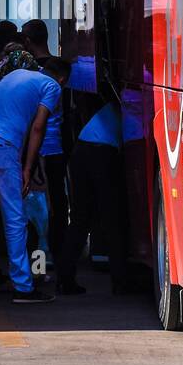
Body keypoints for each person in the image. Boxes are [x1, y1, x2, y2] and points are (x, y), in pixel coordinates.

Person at [0, 56, 70, 304]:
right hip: (2, 145)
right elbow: (38, 127)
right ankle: (22, 286)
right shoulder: (51, 86)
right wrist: (28, 168)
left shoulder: (14, 75)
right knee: (15, 217)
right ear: (62, 80)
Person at [58, 99, 129, 294]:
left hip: (82, 151)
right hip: (101, 154)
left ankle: (65, 278)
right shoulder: (134, 106)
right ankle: (121, 282)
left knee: (81, 219)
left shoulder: (114, 107)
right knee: (112, 218)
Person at [20, 19, 69, 268]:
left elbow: (36, 124)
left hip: (40, 152)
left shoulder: (33, 76)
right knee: (56, 206)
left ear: (27, 41)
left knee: (38, 209)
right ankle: (54, 256)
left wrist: (27, 163)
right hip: (55, 150)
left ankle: (39, 260)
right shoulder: (59, 73)